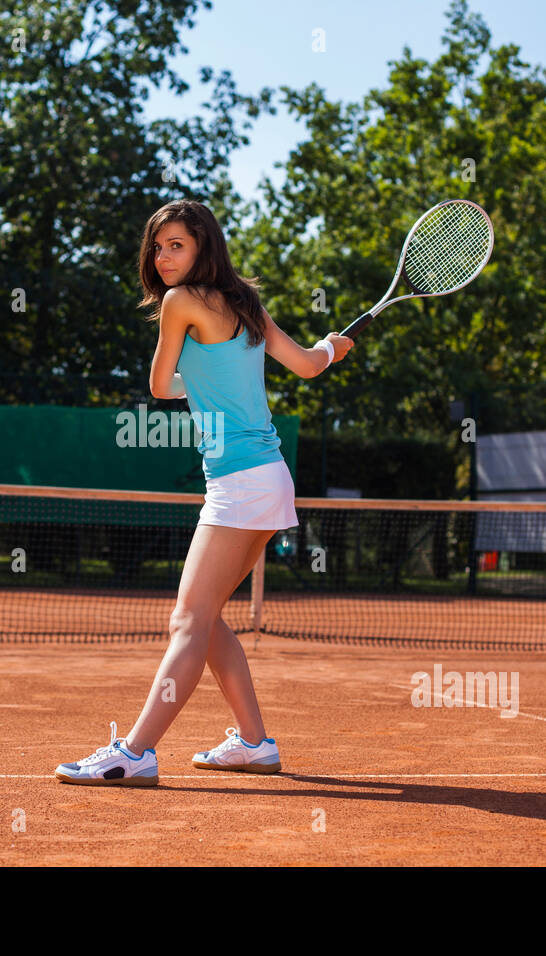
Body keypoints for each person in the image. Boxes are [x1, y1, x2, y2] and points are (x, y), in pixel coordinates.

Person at [55, 199, 353, 786]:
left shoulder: (179, 302)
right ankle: (253, 742)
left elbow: (160, 384)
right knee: (208, 617)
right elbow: (310, 365)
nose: (164, 258)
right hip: (266, 477)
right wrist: (331, 347)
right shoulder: (246, 305)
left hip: (241, 481)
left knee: (188, 619)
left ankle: (135, 753)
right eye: (158, 246)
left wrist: (201, 373)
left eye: (177, 246)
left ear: (203, 247)